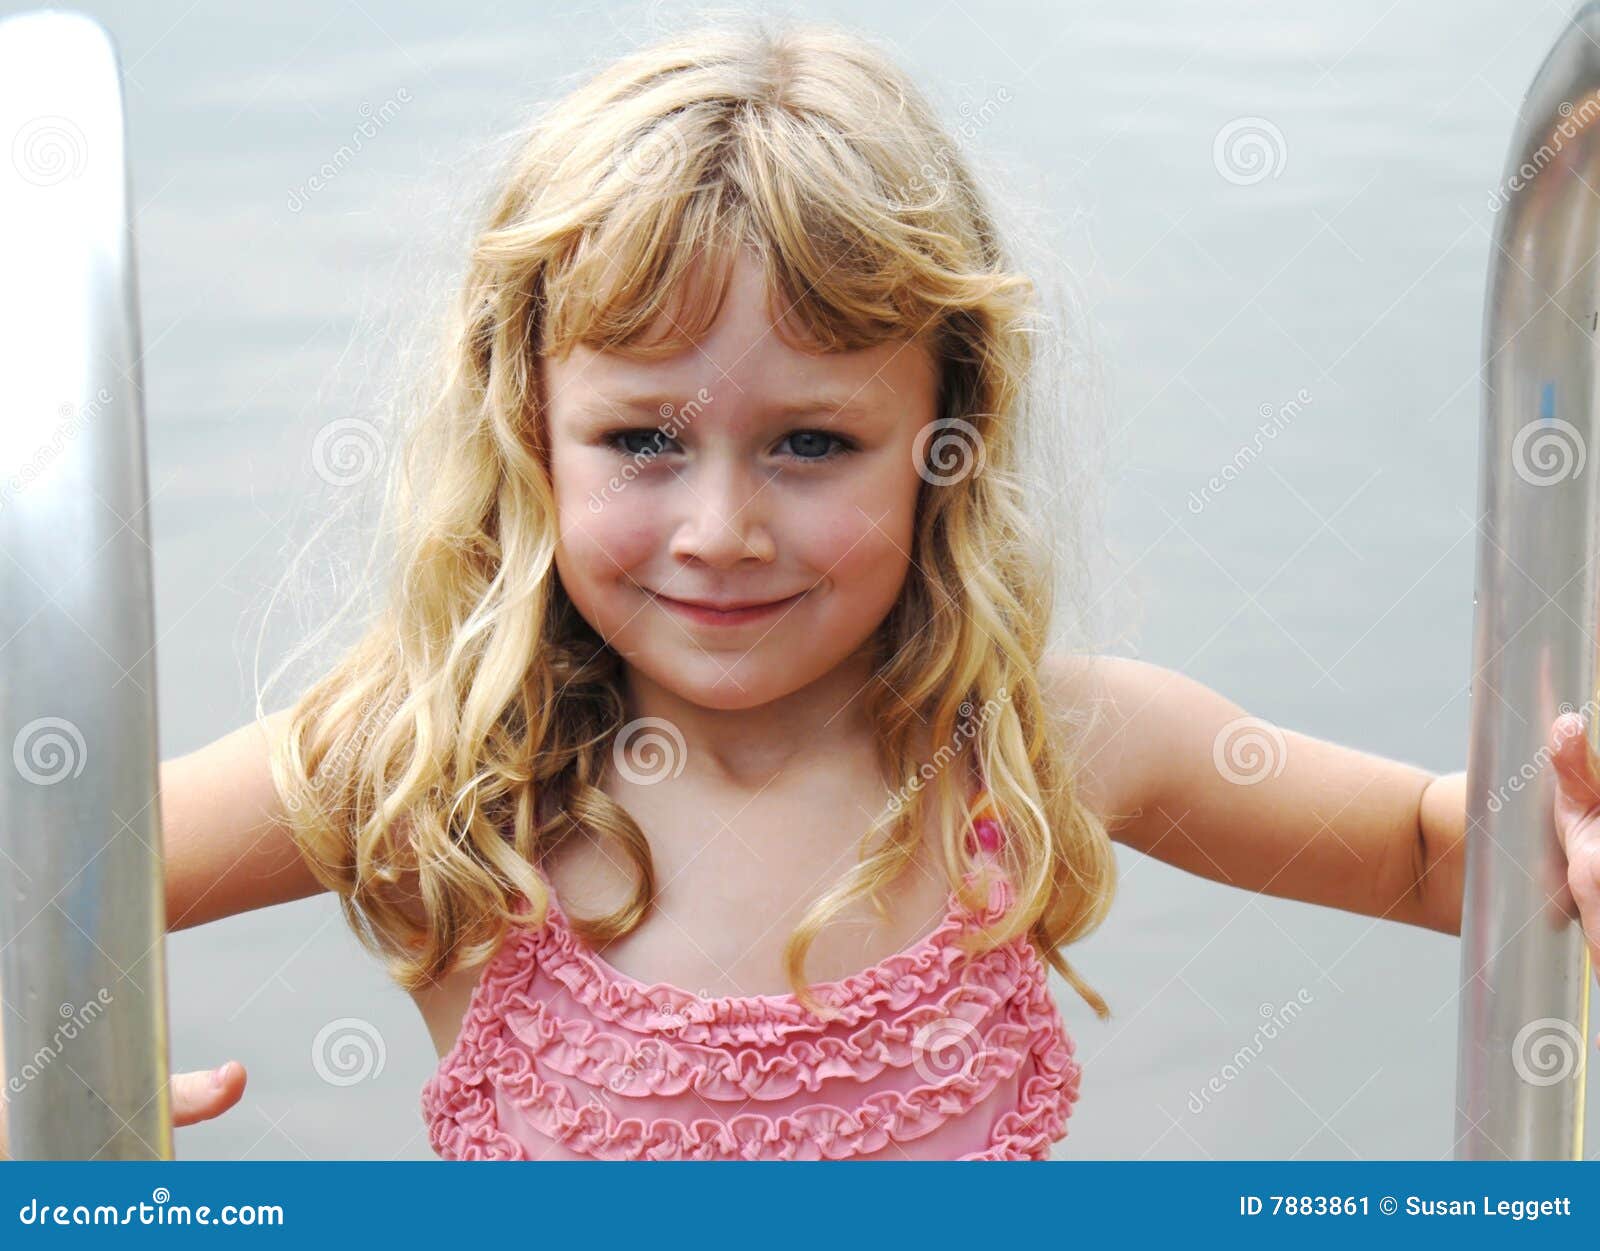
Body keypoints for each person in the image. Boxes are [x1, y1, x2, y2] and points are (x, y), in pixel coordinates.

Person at [9, 18, 1600, 1161]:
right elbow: (48, 884)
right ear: (529, 432)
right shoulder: (437, 762)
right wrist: (52, 1061)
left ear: (943, 441)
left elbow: (1426, 855)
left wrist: (1571, 831)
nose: (722, 529)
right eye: (642, 439)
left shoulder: (1035, 750)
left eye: (812, 444)